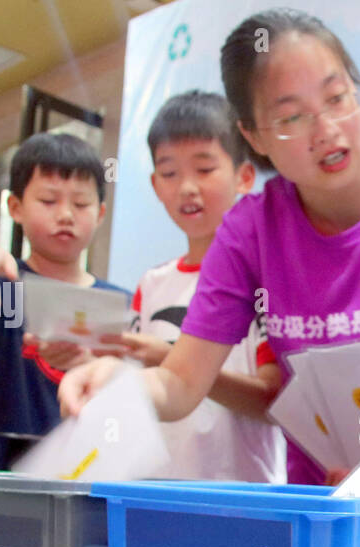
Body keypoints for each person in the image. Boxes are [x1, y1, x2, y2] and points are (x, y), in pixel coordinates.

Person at [59, 8, 360, 483]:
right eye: (291, 118)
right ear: (253, 136)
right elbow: (179, 381)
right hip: (325, 499)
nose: (326, 130)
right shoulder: (251, 233)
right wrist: (123, 384)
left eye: (337, 97)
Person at [114, 89, 285, 481]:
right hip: (154, 489)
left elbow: (275, 401)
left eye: (204, 169)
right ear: (156, 185)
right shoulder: (151, 283)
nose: (187, 187)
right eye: (170, 173)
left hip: (244, 497)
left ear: (243, 176)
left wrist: (174, 365)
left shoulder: (262, 280)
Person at [0, 132, 127, 471]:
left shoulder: (117, 302)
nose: (66, 215)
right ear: (15, 207)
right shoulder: (7, 290)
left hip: (94, 475)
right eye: (48, 200)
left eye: (81, 203)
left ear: (100, 213)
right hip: (8, 476)